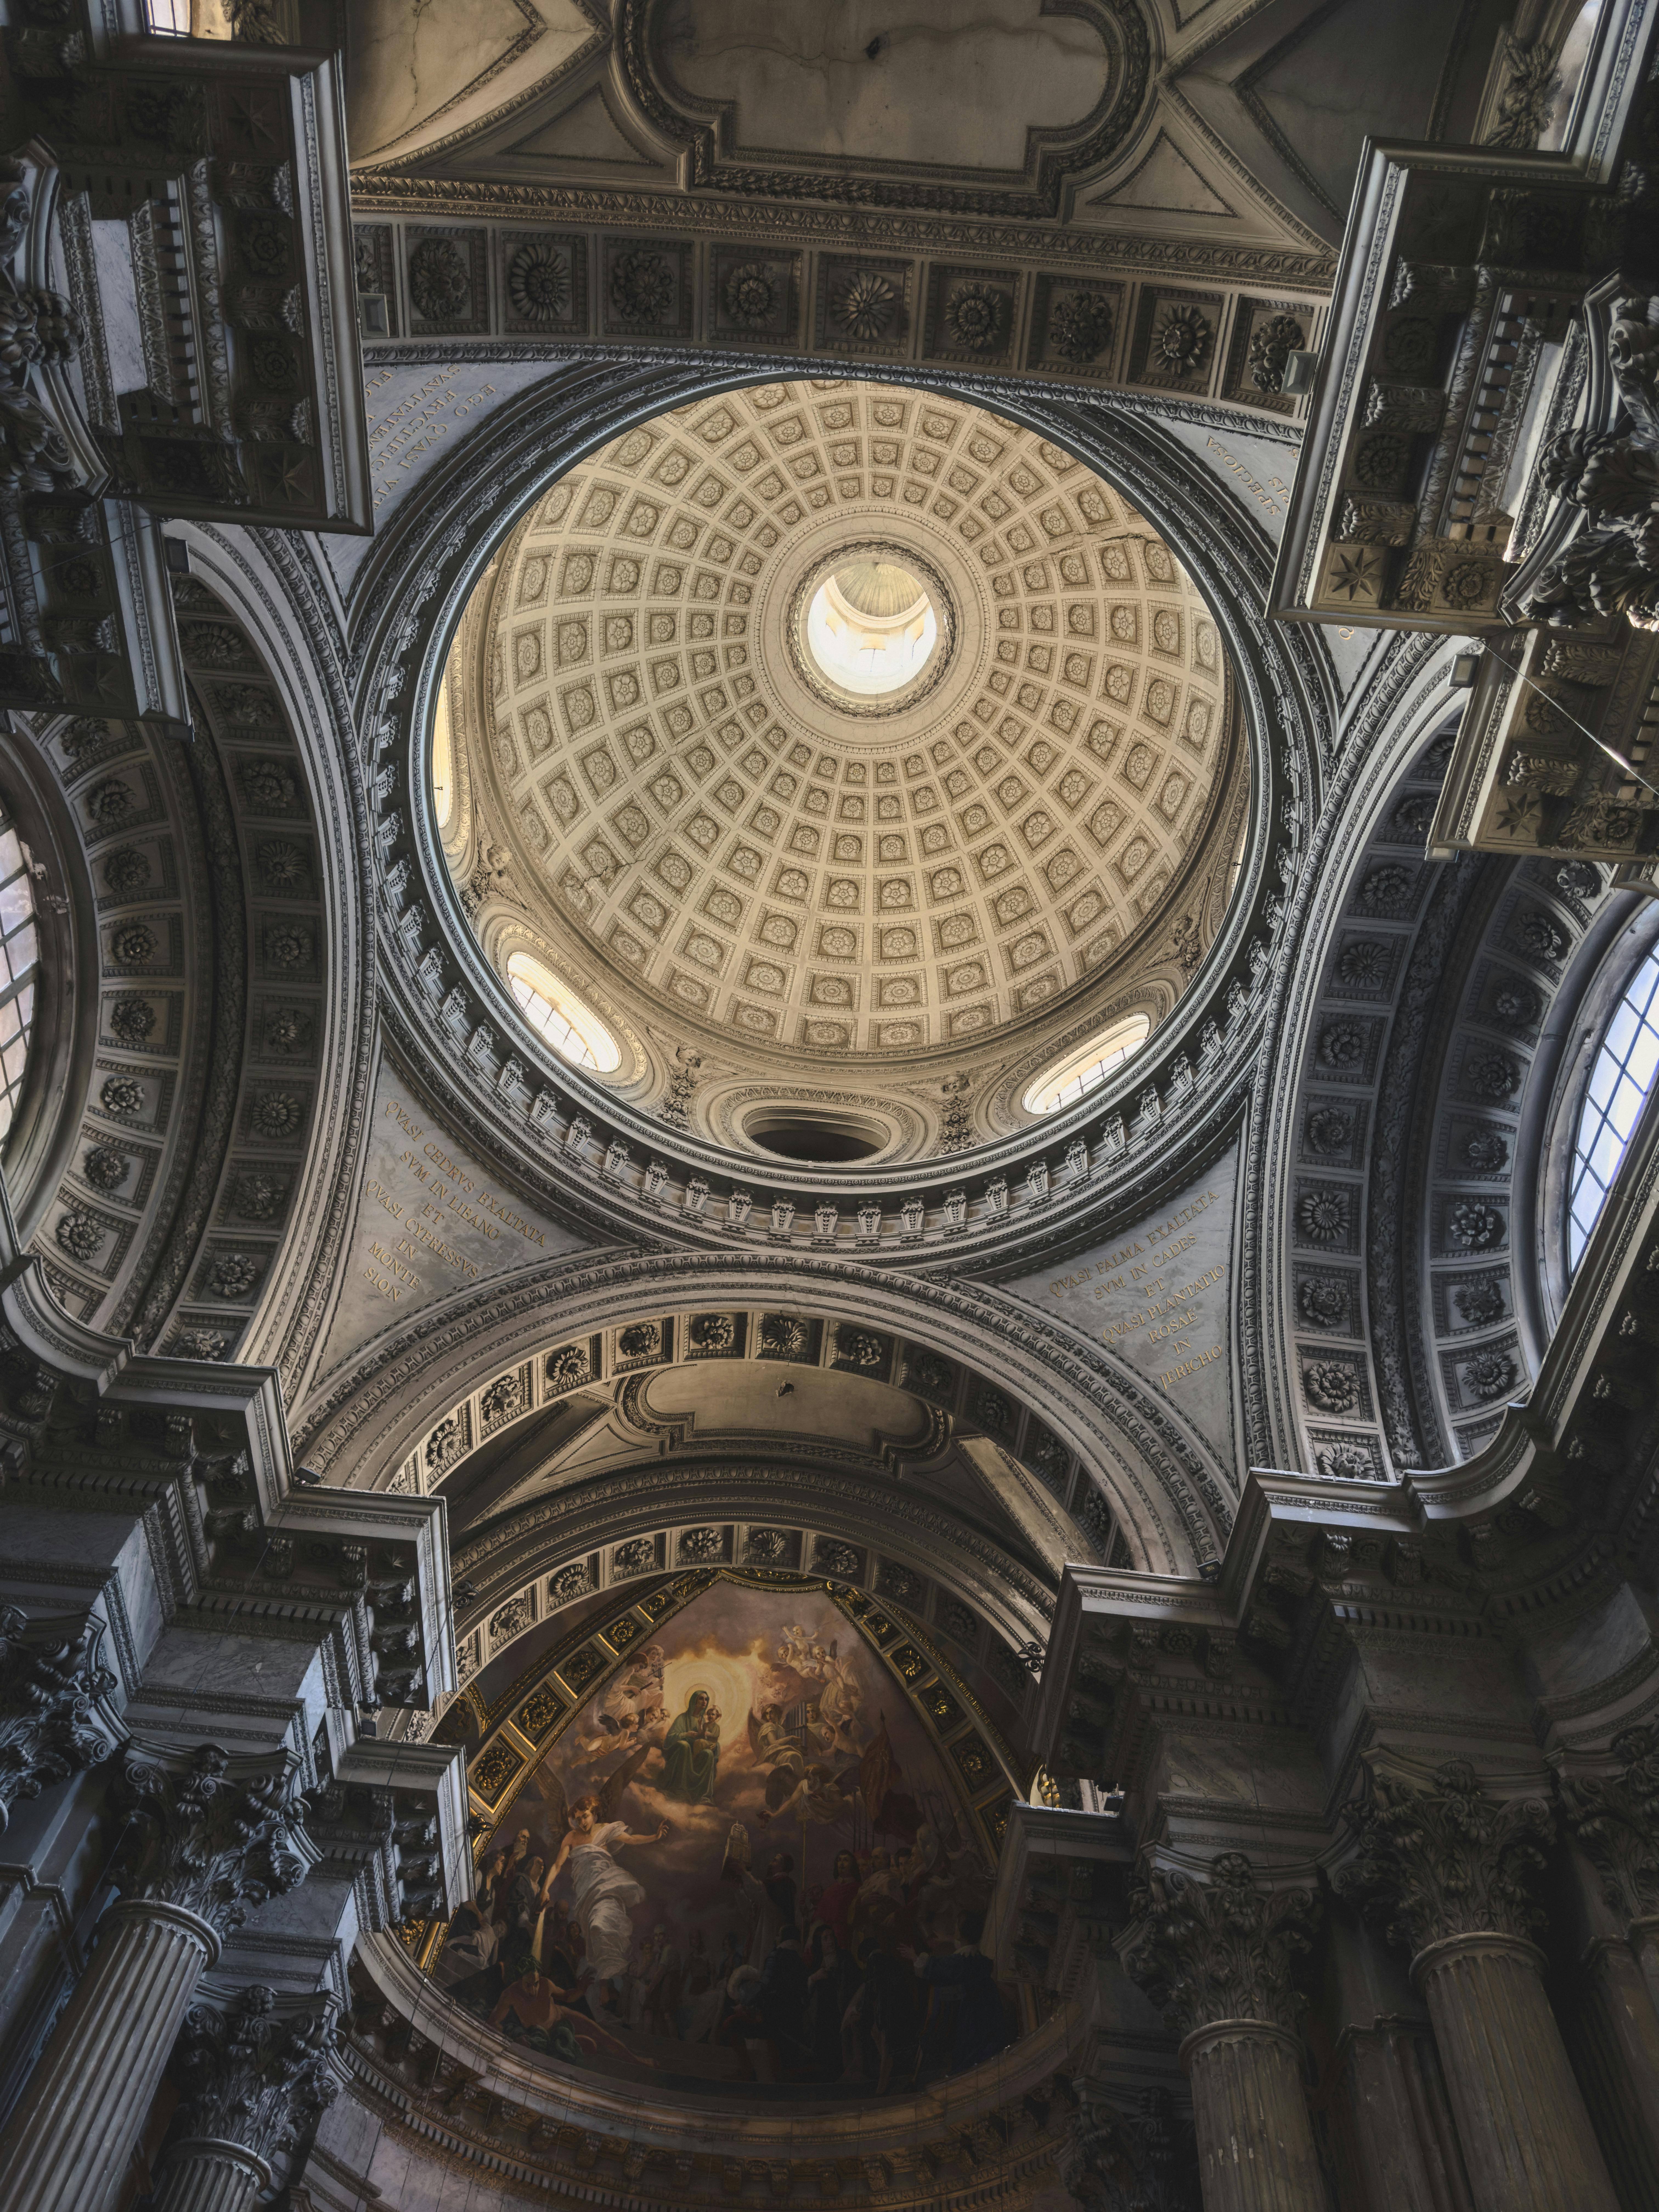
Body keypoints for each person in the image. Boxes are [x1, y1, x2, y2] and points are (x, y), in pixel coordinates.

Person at [544, 1796, 669, 2010]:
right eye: (577, 1819)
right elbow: (557, 1865)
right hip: (586, 1893)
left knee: (600, 1925)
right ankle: (606, 1984)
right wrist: (545, 1889)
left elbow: (632, 1840)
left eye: (585, 1817)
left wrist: (655, 1837)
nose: (582, 1822)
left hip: (607, 1887)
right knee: (595, 1934)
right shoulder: (572, 1837)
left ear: (594, 1812)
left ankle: (606, 1984)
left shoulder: (606, 1830)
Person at [902, 1911, 1008, 2076]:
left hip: (974, 2009)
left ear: (961, 1933)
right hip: (990, 2004)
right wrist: (949, 1939)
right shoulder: (977, 1957)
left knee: (972, 2045)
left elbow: (937, 1968)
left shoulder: (961, 1962)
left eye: (957, 1929)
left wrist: (915, 1957)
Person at [488, 1966, 644, 2066]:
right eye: (528, 1985)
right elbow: (493, 2022)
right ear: (519, 1981)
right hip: (550, 2035)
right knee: (591, 2046)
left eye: (535, 1984)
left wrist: (581, 1990)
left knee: (602, 2034)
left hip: (561, 2014)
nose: (533, 1990)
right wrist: (514, 2039)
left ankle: (637, 2061)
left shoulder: (546, 1984)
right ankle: (574, 2042)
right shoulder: (510, 1995)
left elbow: (566, 1997)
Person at [660, 1687, 721, 1803]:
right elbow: (670, 1739)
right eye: (701, 1699)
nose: (705, 1702)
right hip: (682, 1754)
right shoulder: (682, 1718)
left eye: (706, 1700)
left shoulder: (705, 1722)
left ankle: (703, 1796)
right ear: (694, 1701)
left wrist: (715, 1745)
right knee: (685, 1746)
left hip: (696, 1754)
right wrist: (686, 1734)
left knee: (708, 1754)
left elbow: (709, 1738)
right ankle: (680, 1790)